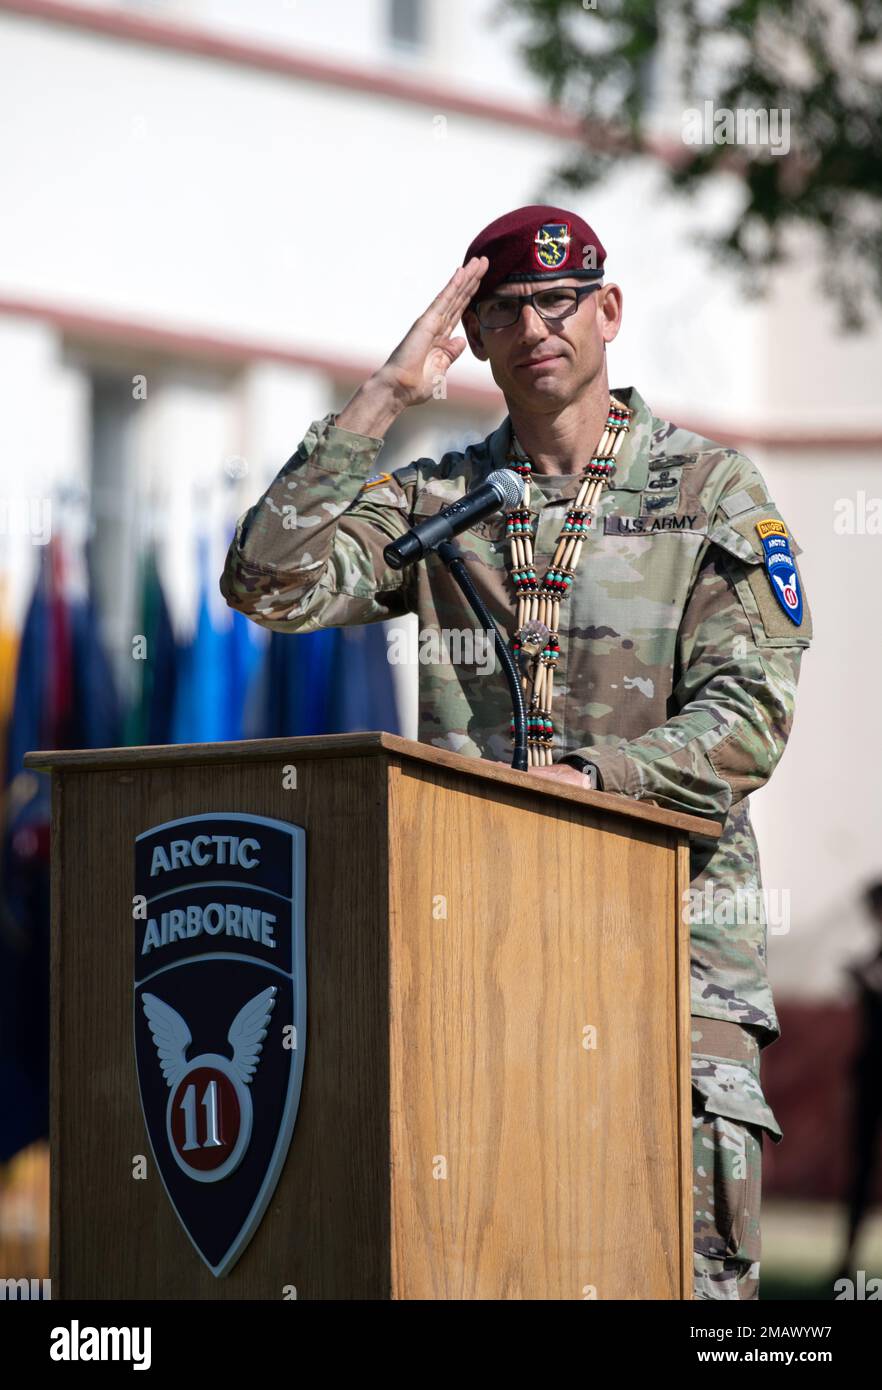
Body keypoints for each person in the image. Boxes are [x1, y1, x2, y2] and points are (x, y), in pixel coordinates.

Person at [220, 204, 813, 1299]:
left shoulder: (709, 488)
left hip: (671, 948)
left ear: (609, 311)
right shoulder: (442, 497)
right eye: (503, 311)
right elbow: (267, 583)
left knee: (685, 1280)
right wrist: (385, 394)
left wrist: (593, 783)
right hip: (482, 951)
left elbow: (751, 713)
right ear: (477, 339)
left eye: (558, 301)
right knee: (498, 1258)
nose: (535, 327)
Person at [836, 880, 882, 1280]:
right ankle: (846, 1263)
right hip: (871, 1074)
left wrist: (864, 982)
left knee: (862, 1171)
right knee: (860, 1170)